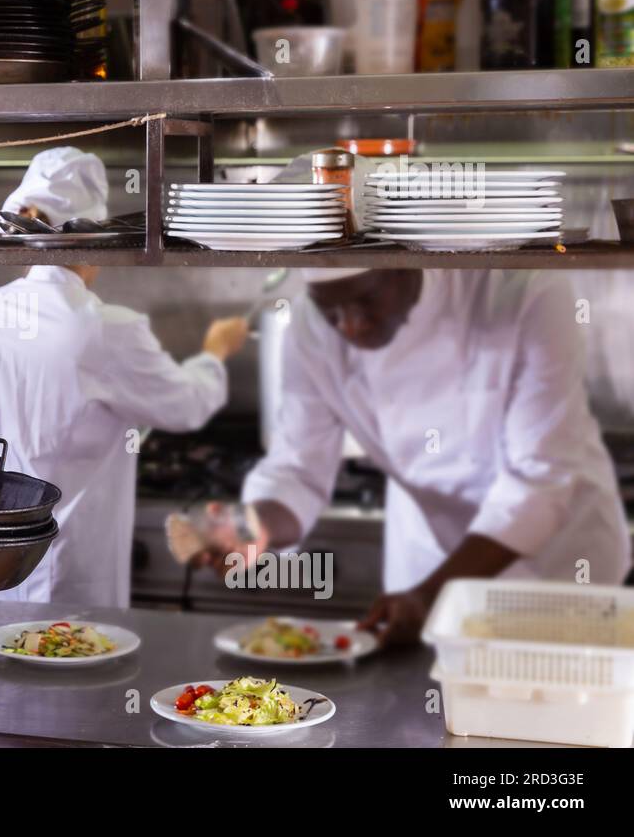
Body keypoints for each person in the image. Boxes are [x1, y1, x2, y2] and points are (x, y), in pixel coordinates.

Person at [187, 267, 631, 645]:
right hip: (424, 559)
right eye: (331, 310)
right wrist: (254, 530)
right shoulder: (308, 326)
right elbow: (299, 466)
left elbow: (538, 477)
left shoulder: (522, 290)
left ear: (404, 263)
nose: (350, 327)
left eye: (365, 301)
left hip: (557, 559)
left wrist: (430, 593)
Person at [0, 147, 249, 608]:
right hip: (66, 573)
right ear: (96, 236)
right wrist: (214, 352)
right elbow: (186, 405)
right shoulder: (106, 326)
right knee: (66, 667)